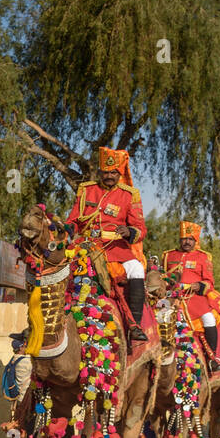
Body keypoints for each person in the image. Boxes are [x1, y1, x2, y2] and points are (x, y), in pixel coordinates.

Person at [67, 147, 149, 343]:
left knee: (137, 268)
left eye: (114, 172)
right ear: (100, 172)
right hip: (85, 245)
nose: (110, 176)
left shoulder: (129, 195)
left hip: (116, 249)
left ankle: (134, 326)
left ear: (120, 173)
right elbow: (73, 220)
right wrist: (64, 230)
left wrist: (129, 231)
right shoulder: (87, 190)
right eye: (106, 172)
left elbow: (141, 228)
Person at [161, 220, 220, 372]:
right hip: (172, 298)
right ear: (180, 239)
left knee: (208, 318)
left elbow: (210, 282)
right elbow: (163, 276)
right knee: (158, 317)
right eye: (184, 239)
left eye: (190, 239)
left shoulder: (203, 257)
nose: (187, 242)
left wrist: (199, 285)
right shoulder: (168, 255)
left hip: (195, 299)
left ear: (196, 241)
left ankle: (212, 358)